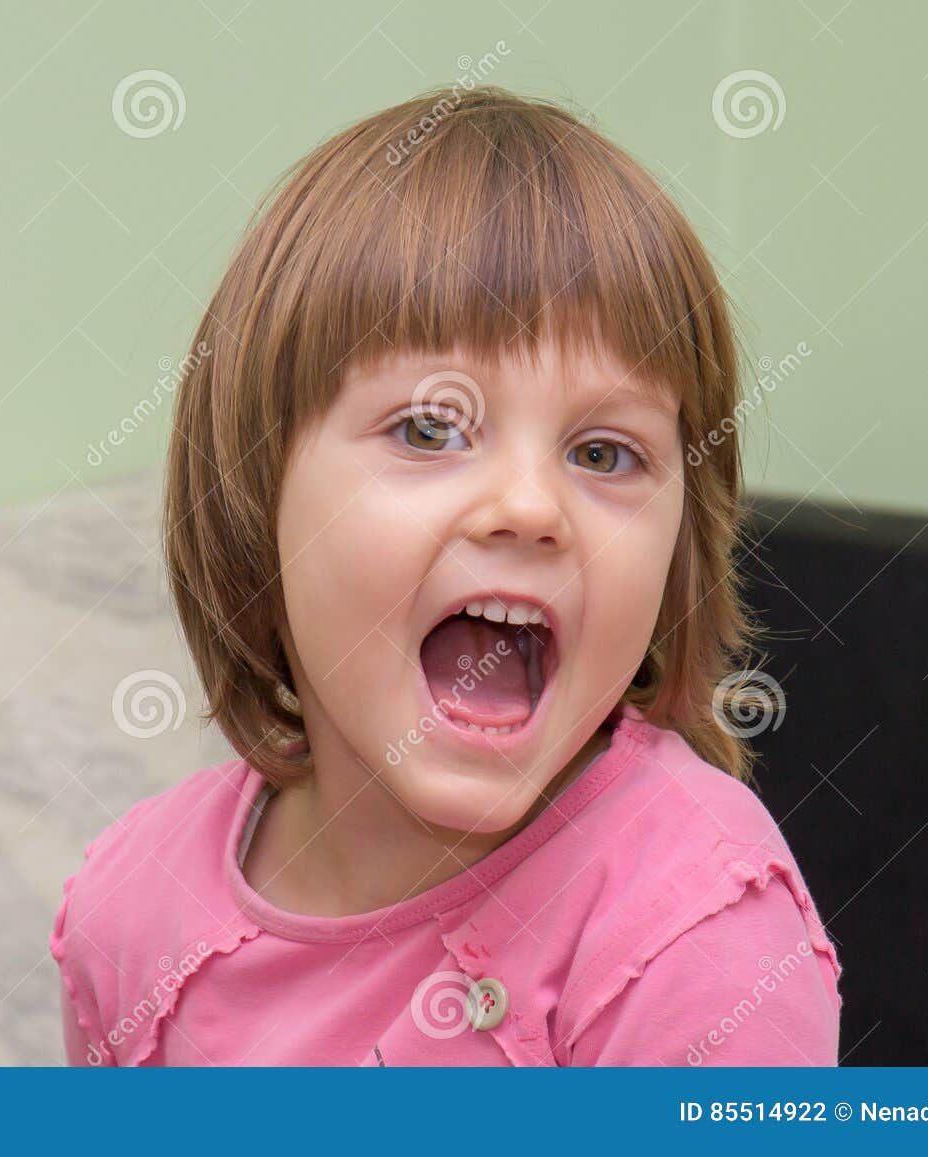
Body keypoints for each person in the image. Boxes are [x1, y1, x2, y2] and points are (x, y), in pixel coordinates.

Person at [50, 84, 842, 1066]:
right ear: (254, 494)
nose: (530, 505)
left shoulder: (692, 929)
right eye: (430, 428)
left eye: (603, 453)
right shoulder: (134, 904)